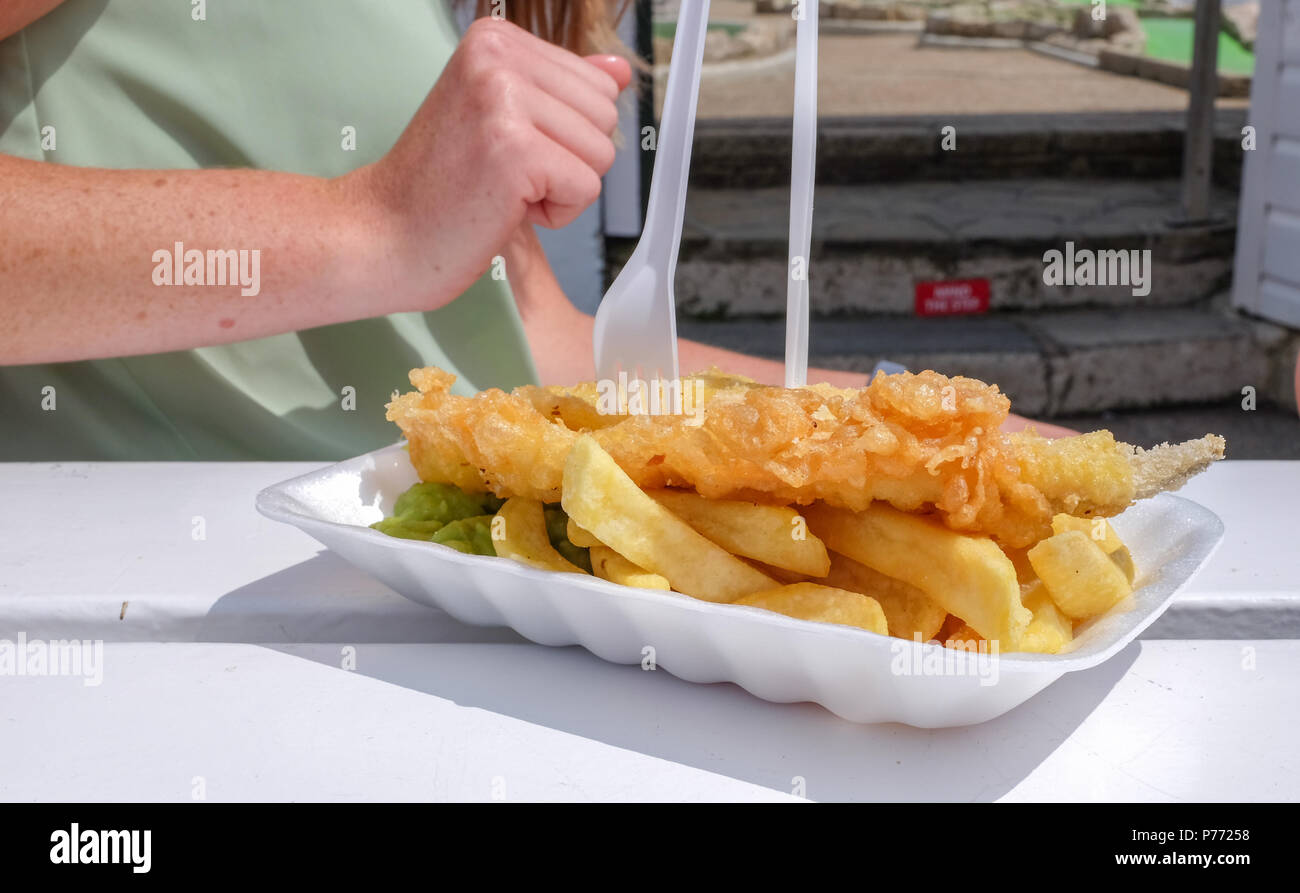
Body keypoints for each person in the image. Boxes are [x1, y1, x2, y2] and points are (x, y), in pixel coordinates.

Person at [0, 0, 1072, 460]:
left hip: (463, 632)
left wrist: (941, 433)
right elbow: (395, 234)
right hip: (196, 668)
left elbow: (529, 347)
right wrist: (372, 223)